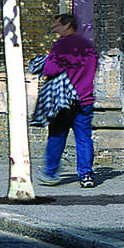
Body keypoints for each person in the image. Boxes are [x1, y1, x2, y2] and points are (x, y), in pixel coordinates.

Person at [33, 10, 100, 186]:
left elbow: (50, 69)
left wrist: (45, 61)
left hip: (63, 101)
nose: (55, 30)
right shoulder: (88, 46)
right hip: (85, 99)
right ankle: (86, 176)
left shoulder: (62, 46)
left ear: (67, 25)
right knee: (84, 137)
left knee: (57, 135)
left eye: (57, 26)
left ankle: (50, 173)